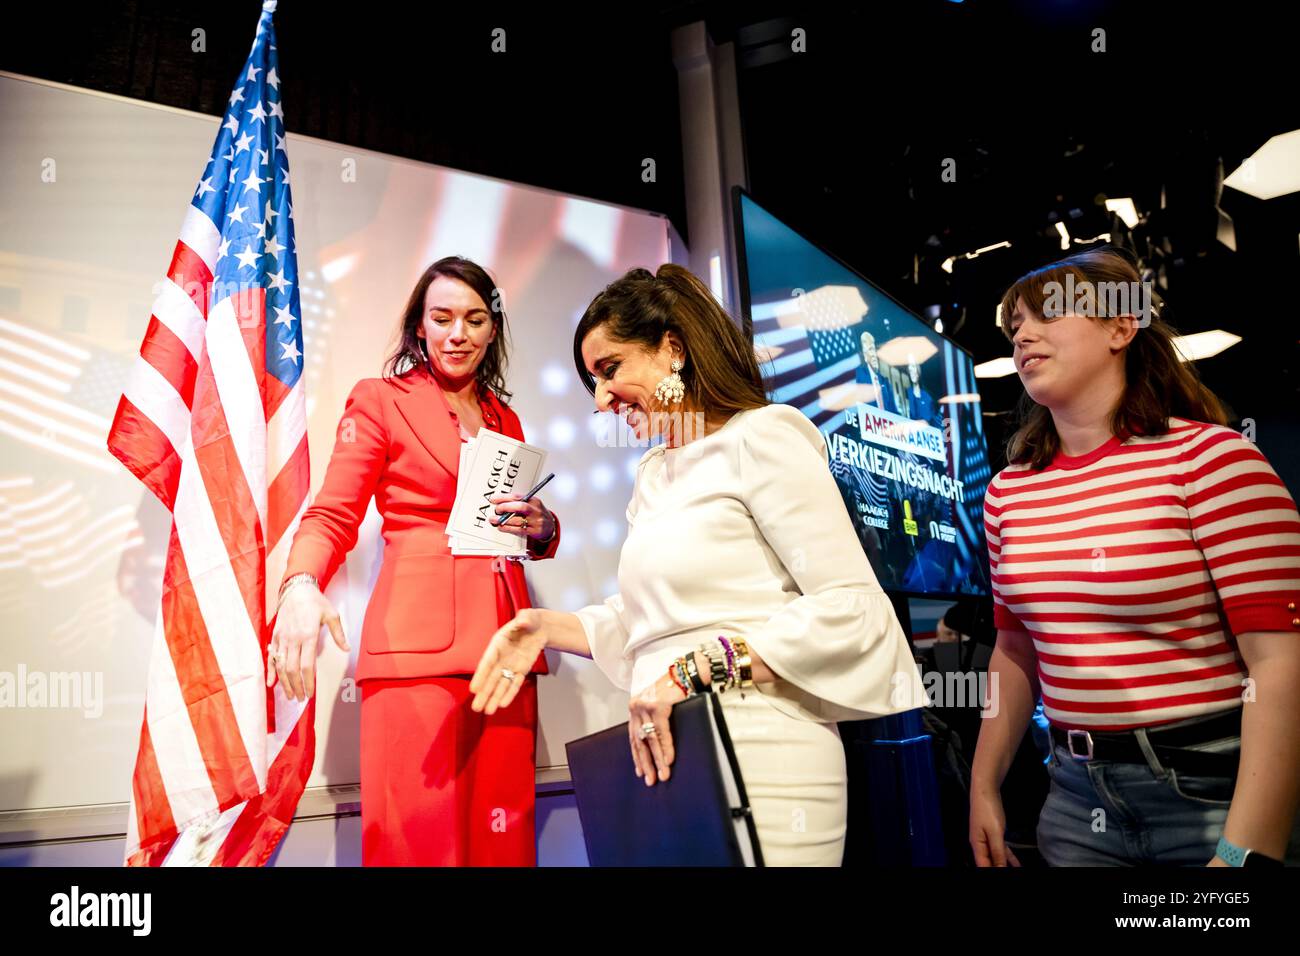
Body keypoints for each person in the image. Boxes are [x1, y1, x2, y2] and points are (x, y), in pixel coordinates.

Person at [468, 263, 925, 866]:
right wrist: (546, 627)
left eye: (610, 370)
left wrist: (694, 670)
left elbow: (853, 609)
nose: (602, 400)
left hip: (768, 754)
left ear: (673, 349)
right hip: (670, 759)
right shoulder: (653, 475)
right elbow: (648, 621)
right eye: (592, 383)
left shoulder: (764, 436)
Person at [969, 247, 1300, 867]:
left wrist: (1245, 853)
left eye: (1048, 314)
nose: (1023, 336)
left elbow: (1281, 665)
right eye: (1015, 326)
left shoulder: (1213, 460)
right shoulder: (1007, 492)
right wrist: (983, 786)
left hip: (1206, 793)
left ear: (1122, 326)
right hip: (1072, 798)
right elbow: (1016, 652)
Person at [268, 256, 562, 866]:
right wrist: (299, 584)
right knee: (419, 849)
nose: (460, 333)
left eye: (476, 319)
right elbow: (332, 513)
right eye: (443, 317)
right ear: (420, 327)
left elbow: (515, 525)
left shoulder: (507, 418)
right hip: (415, 659)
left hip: (507, 650)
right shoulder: (378, 400)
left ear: (492, 328)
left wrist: (543, 526)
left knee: (502, 850)